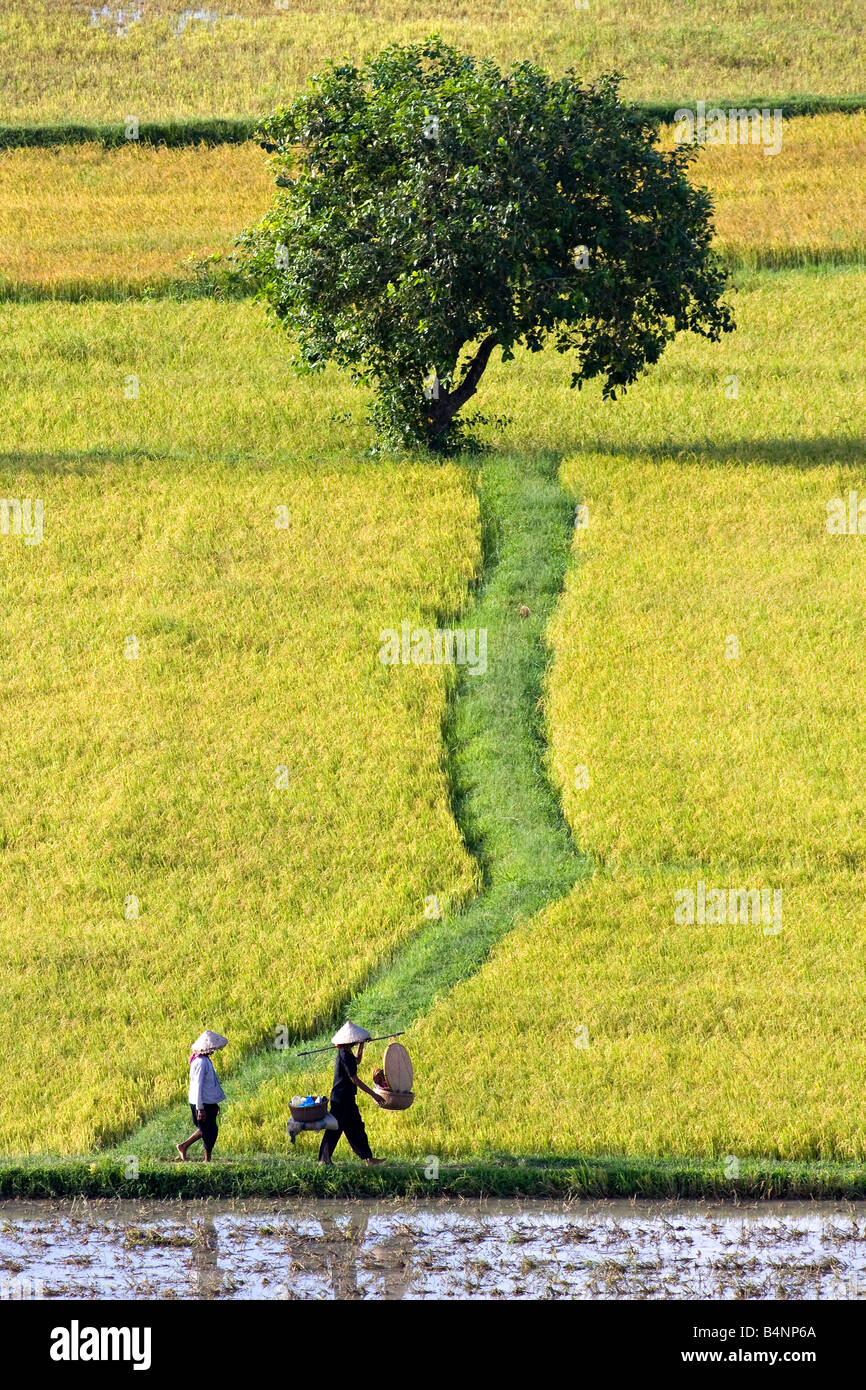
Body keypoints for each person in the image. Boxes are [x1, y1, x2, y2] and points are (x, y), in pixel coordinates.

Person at [318, 1021, 386, 1166]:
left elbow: (357, 1060)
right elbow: (354, 1079)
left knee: (355, 1127)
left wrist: (362, 1044)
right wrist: (374, 1094)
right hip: (341, 1099)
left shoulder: (346, 1053)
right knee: (334, 1128)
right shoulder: (344, 1055)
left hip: (346, 1098)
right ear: (349, 1041)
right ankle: (324, 1160)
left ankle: (368, 1158)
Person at [177, 1029, 227, 1162]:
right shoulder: (201, 1062)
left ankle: (184, 1146)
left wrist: (214, 1104)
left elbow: (207, 1085)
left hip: (207, 1102)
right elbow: (198, 1086)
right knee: (210, 1131)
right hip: (202, 1103)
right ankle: (206, 1159)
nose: (213, 1050)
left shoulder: (204, 1060)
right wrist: (200, 1108)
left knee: (207, 1129)